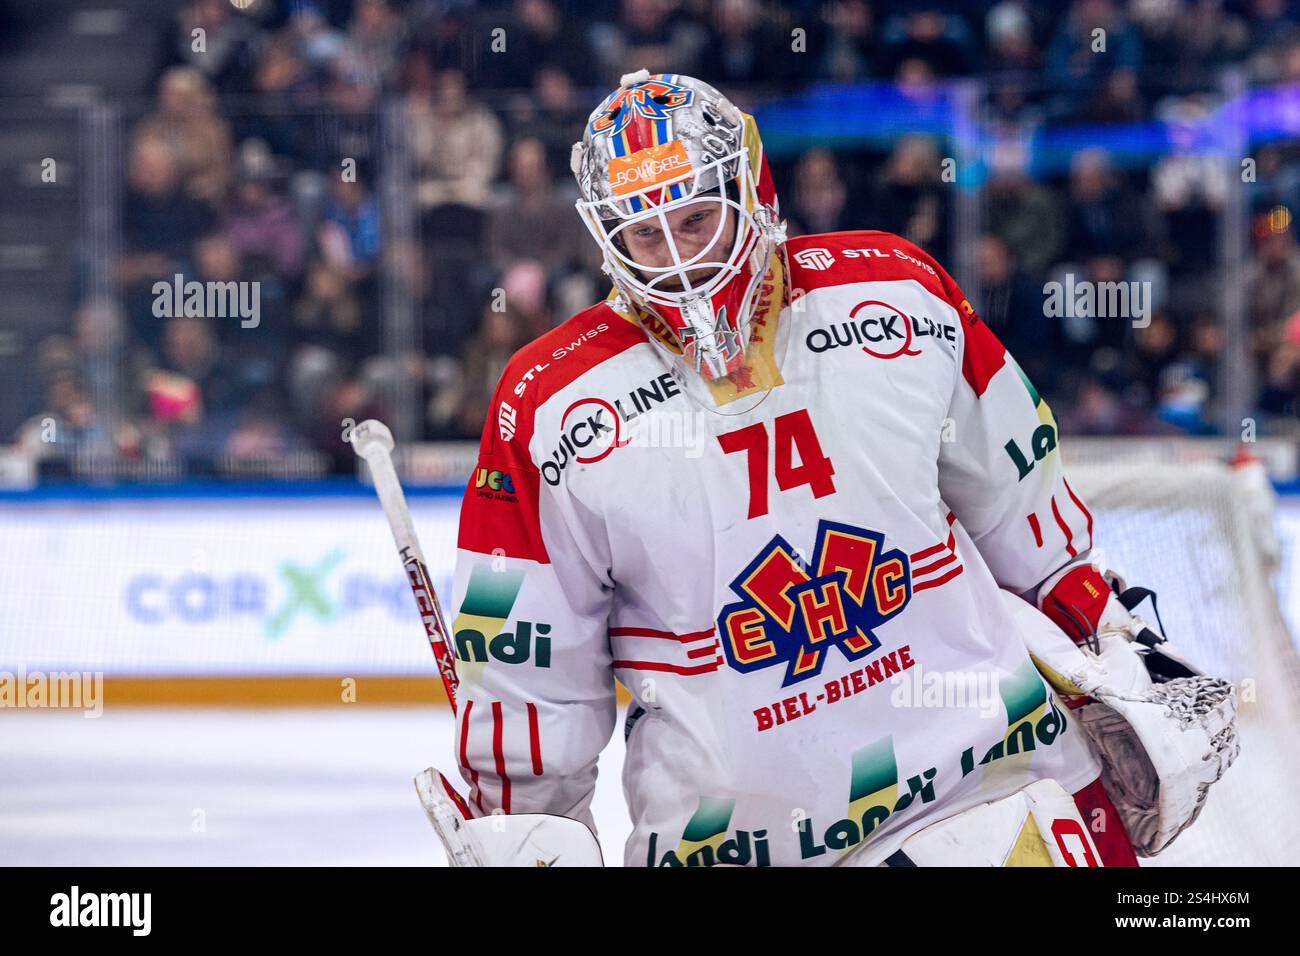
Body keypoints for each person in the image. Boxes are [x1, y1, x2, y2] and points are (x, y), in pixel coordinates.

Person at [444, 72, 1238, 867]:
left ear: (749, 188)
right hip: (743, 847)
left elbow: (1020, 504)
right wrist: (524, 825)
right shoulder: (548, 406)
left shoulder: (894, 292)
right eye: (646, 237)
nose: (678, 263)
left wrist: (1098, 624)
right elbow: (529, 660)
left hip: (997, 786)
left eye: (695, 220)